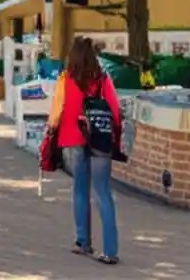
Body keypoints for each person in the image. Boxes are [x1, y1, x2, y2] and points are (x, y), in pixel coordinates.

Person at [48, 36, 122, 266]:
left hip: (74, 139)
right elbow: (116, 110)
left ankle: (83, 242)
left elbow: (57, 111)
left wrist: (50, 134)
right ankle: (110, 251)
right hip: (100, 139)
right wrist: (115, 135)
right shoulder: (102, 79)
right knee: (103, 193)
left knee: (80, 190)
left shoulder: (66, 78)